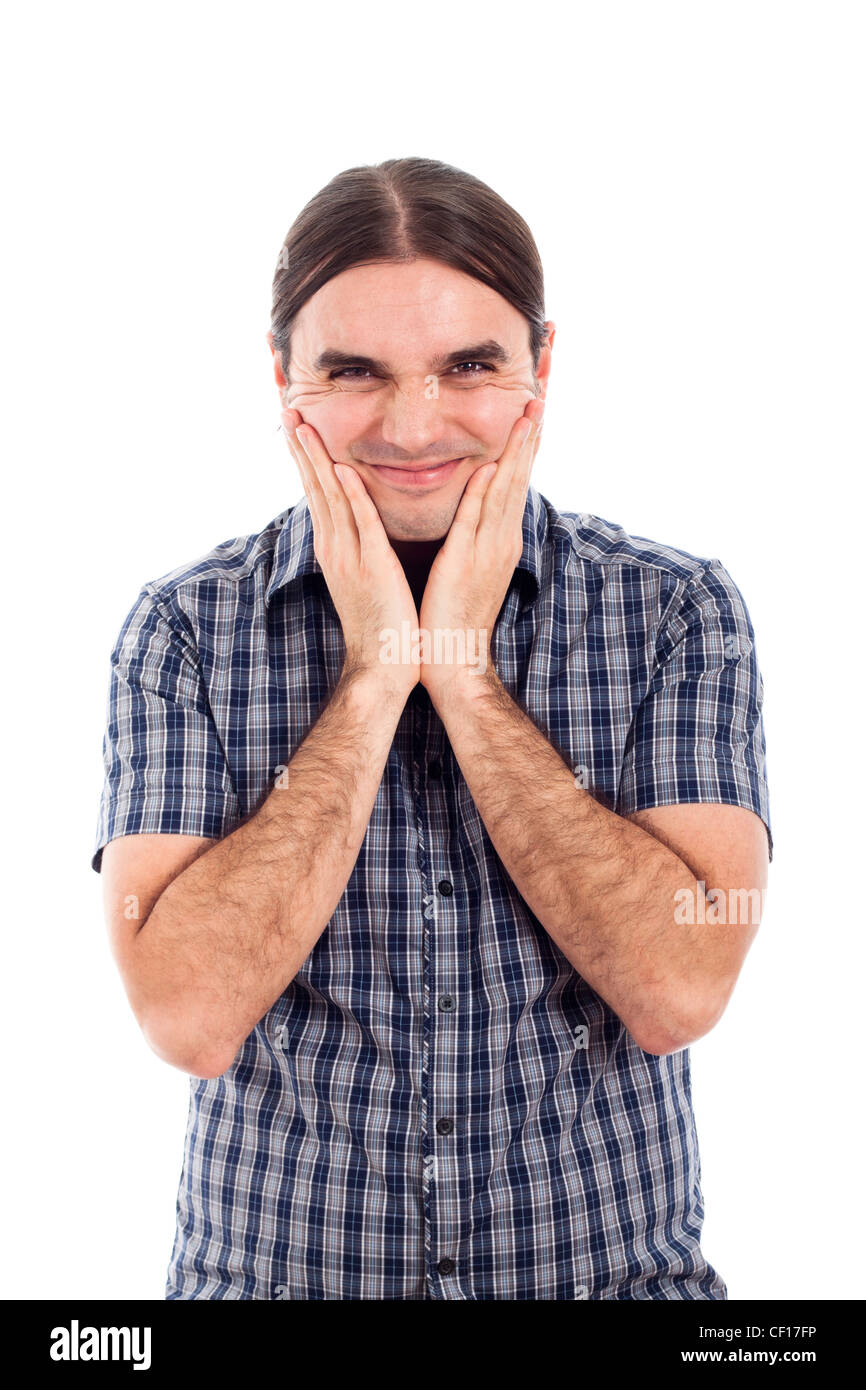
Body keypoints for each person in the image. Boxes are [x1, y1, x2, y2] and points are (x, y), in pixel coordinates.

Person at [92, 157, 772, 1300]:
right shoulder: (184, 629)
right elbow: (186, 1015)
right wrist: (371, 678)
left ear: (539, 368)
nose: (413, 426)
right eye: (354, 371)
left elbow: (676, 990)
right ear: (282, 379)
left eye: (469, 365)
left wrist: (460, 669)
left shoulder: (674, 611)